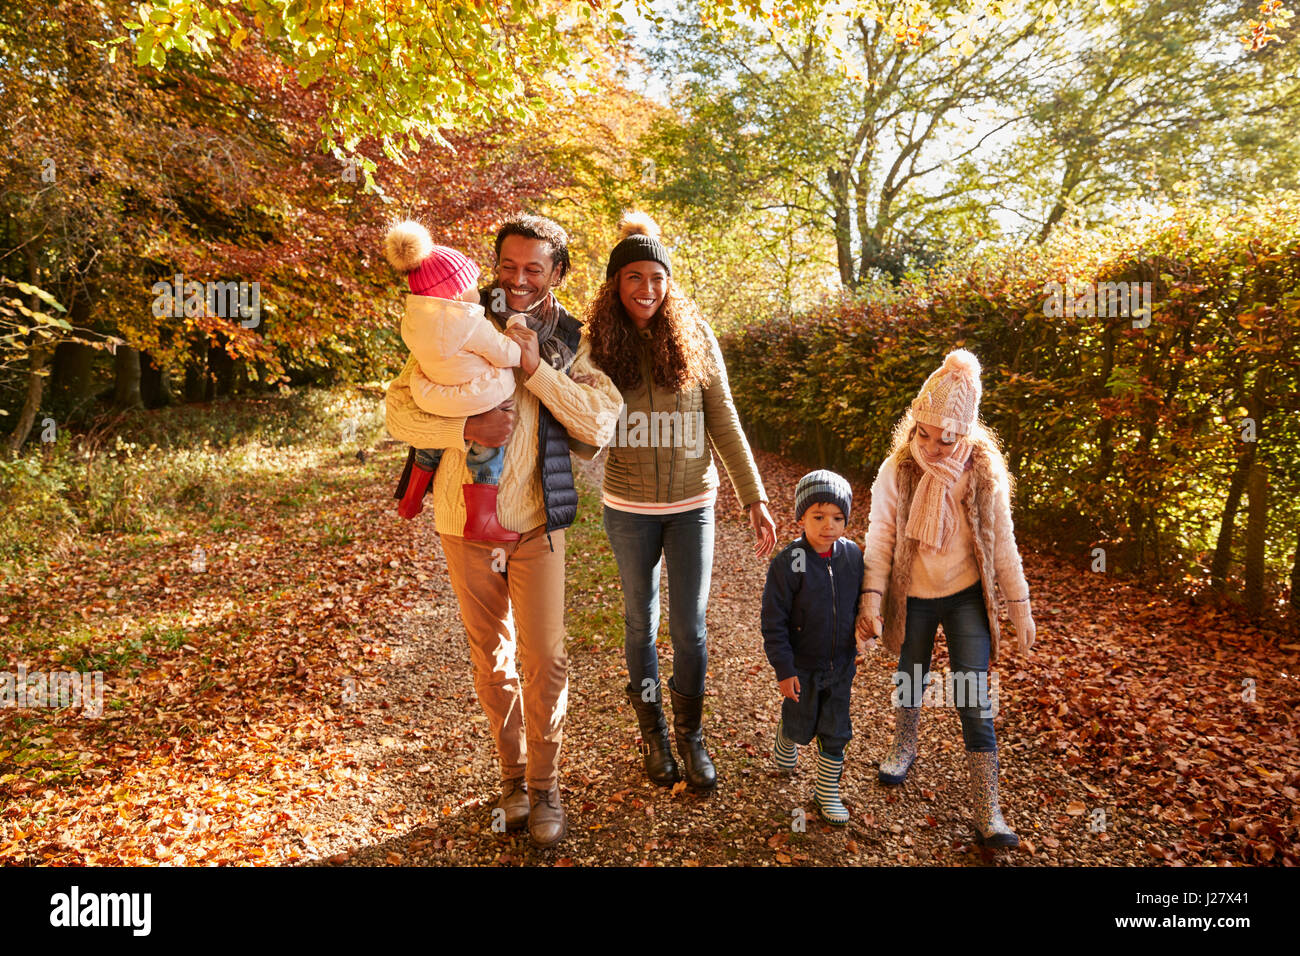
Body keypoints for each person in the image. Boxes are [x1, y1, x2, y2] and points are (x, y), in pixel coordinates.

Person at [385, 214, 623, 848]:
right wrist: (463, 431)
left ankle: (547, 787)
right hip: (463, 524)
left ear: (556, 274)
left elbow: (599, 420)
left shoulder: (575, 340)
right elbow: (399, 407)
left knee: (545, 656)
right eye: (509, 266)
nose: (518, 280)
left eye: (534, 269)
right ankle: (512, 781)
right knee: (491, 659)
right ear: (495, 266)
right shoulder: (455, 315)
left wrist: (536, 370)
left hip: (538, 521)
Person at [586, 211, 777, 791]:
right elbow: (579, 418)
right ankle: (654, 735)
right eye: (633, 277)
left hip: (692, 504)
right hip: (628, 508)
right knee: (640, 626)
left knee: (690, 628)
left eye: (657, 277)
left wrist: (754, 497)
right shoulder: (597, 343)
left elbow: (723, 417)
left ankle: (691, 734)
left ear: (669, 282)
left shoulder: (695, 332)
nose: (647, 289)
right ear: (616, 285)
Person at [856, 348, 1037, 848]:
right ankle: (903, 744)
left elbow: (1002, 543)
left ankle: (988, 810)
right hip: (912, 593)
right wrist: (871, 599)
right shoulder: (898, 470)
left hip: (964, 597)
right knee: (910, 674)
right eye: (924, 433)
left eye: (946, 437)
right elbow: (880, 537)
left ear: (968, 433)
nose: (933, 446)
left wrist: (1018, 606)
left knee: (973, 698)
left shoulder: (983, 474)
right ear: (914, 423)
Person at [382, 219, 526, 536]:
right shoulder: (469, 322)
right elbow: (505, 354)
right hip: (477, 398)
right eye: (472, 283)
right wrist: (517, 340)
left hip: (434, 396)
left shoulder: (414, 322)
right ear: (458, 292)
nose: (477, 288)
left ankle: (411, 497)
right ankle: (482, 519)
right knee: (486, 451)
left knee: (429, 447)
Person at [761, 470, 864, 824]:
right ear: (801, 517)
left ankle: (826, 792)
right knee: (800, 720)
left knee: (836, 729)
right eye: (818, 517)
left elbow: (860, 602)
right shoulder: (789, 562)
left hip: (840, 664)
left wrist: (865, 632)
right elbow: (773, 622)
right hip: (802, 664)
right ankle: (787, 737)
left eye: (838, 518)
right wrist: (784, 669)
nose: (828, 526)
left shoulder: (852, 557)